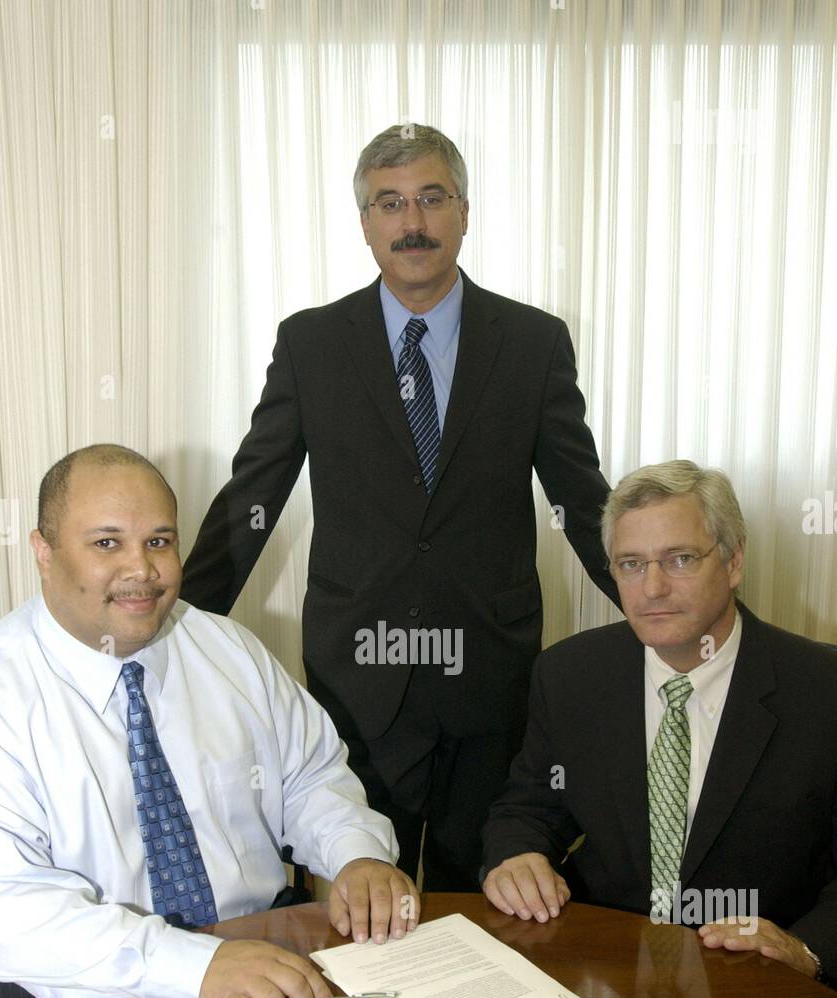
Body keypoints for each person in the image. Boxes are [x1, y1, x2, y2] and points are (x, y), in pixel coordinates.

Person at [180, 123, 618, 892]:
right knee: (364, 897)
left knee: (481, 900)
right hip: (360, 681)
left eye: (430, 199)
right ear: (366, 224)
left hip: (488, 673)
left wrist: (663, 603)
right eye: (390, 204)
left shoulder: (532, 342)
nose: (411, 223)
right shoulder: (312, 344)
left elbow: (582, 501)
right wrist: (174, 623)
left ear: (464, 211)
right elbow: (255, 492)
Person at [0, 445, 420, 998]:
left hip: (261, 957)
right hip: (76, 997)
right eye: (107, 543)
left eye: (159, 541)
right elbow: (5, 906)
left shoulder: (230, 651)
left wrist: (356, 855)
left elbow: (311, 779)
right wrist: (195, 967)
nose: (143, 570)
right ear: (43, 551)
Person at [482, 460, 837, 986]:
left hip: (755, 985)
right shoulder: (570, 674)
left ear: (734, 561)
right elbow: (532, 805)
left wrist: (806, 950)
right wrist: (517, 855)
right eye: (630, 564)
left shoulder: (821, 688)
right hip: (605, 970)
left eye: (679, 559)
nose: (651, 588)